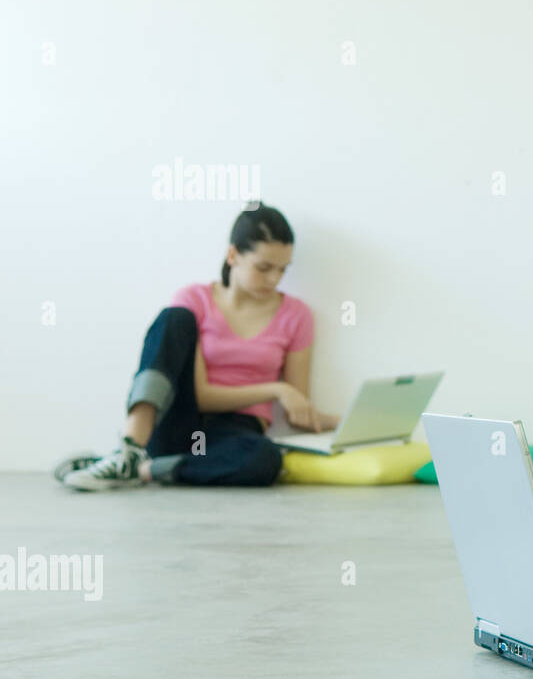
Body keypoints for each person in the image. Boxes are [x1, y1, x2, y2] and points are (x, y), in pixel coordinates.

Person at [57, 203, 337, 491]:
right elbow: (202, 397)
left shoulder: (296, 314)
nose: (274, 279)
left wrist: (348, 424)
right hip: (181, 425)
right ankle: (130, 449)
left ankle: (143, 470)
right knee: (173, 317)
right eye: (264, 268)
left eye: (282, 269)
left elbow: (298, 410)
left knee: (266, 460)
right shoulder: (194, 300)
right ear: (233, 255)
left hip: (232, 437)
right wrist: (277, 389)